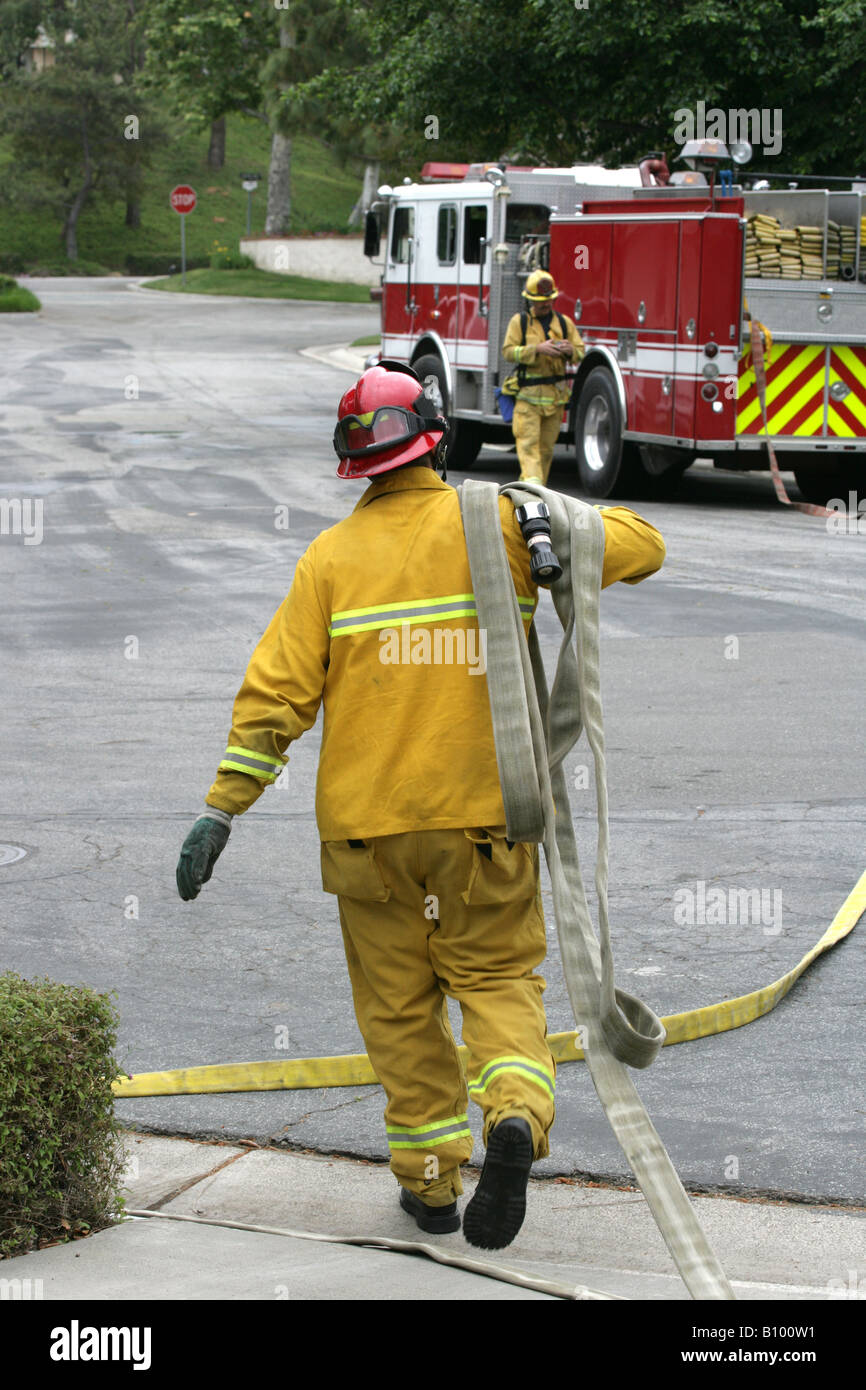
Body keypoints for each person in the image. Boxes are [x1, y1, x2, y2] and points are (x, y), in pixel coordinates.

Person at [176, 360, 665, 1249]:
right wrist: (534, 504)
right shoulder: (503, 530)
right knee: (497, 983)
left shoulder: (328, 560)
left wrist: (221, 810)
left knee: (400, 1013)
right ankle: (513, 1116)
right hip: (480, 830)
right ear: (436, 435)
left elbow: (273, 700)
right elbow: (643, 542)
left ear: (353, 463)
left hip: (367, 842)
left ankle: (432, 1189)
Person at [503, 269, 585, 485]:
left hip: (555, 400)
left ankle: (536, 492)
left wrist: (569, 350)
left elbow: (580, 352)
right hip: (527, 399)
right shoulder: (519, 322)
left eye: (549, 300)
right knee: (528, 448)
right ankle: (532, 491)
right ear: (530, 300)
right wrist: (537, 349)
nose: (545, 304)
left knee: (546, 452)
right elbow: (508, 352)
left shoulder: (564, 323)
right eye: (540, 301)